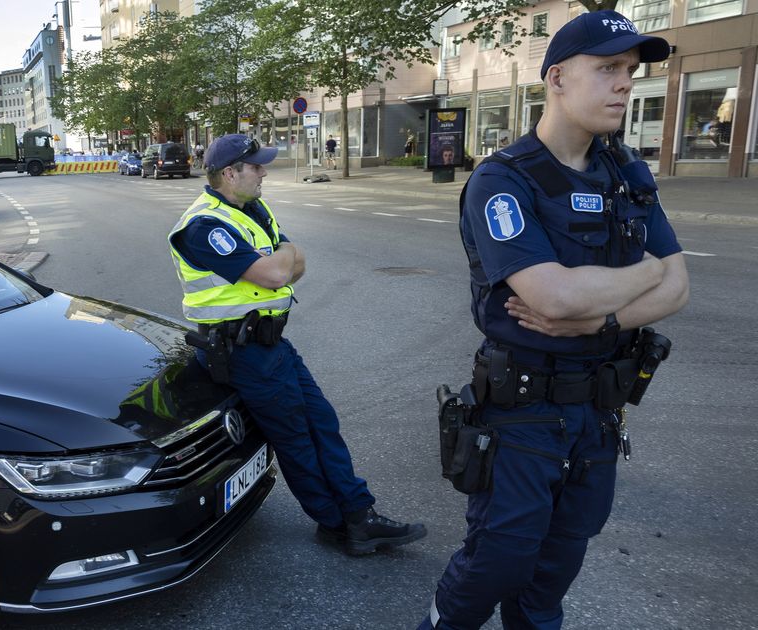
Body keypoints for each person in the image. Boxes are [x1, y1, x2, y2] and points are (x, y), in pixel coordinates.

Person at [420, 12, 689, 629]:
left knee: (552, 576)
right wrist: (646, 271)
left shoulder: (626, 175)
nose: (625, 83)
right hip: (523, 412)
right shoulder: (504, 179)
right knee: (494, 566)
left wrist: (602, 319)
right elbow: (554, 298)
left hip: (598, 412)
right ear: (558, 78)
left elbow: (678, 287)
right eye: (608, 68)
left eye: (630, 70)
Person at [168, 134, 426, 557]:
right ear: (230, 173)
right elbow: (275, 274)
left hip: (271, 345)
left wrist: (282, 258)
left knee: (322, 422)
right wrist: (283, 255)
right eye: (256, 167)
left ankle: (358, 512)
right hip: (242, 352)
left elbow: (296, 265)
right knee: (296, 439)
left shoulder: (252, 210)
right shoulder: (203, 226)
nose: (264, 173)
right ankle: (337, 524)